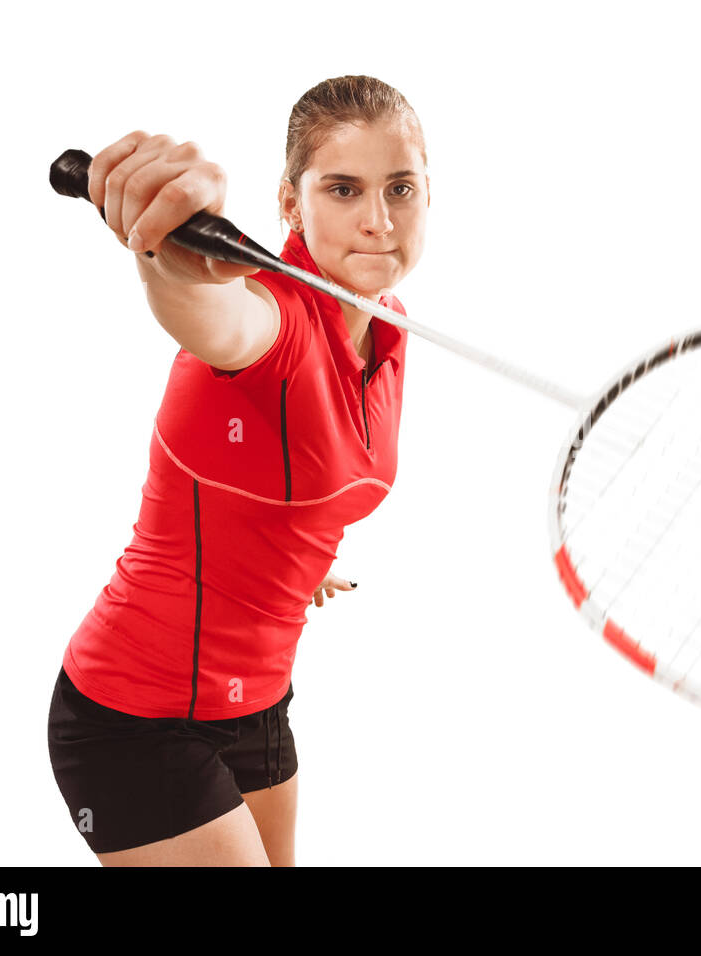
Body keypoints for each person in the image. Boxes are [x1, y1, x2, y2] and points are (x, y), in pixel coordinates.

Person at [46, 75, 430, 866]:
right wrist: (167, 256)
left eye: (401, 187)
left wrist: (295, 556)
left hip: (258, 702)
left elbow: (296, 474)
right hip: (134, 716)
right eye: (342, 189)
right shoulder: (270, 318)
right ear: (290, 204)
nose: (378, 220)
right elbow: (209, 314)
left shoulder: (384, 327)